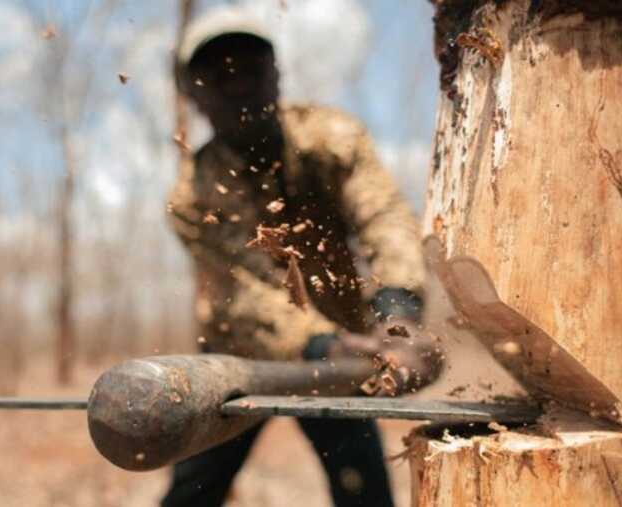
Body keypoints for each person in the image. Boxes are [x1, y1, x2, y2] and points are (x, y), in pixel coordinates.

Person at [164, 9, 442, 507]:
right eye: (218, 76)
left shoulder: (330, 138)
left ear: (275, 75)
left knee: (363, 491)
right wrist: (321, 344)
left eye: (251, 69)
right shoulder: (192, 195)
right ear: (194, 94)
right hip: (239, 359)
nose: (238, 86)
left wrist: (398, 315)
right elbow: (240, 294)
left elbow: (384, 218)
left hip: (344, 352)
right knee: (193, 492)